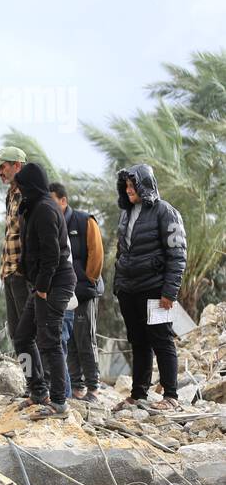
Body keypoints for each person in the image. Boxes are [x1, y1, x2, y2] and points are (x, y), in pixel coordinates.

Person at [113, 164, 186, 411]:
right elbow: (120, 252)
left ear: (145, 185)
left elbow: (177, 254)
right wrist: (118, 285)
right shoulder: (125, 213)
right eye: (127, 186)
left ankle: (171, 396)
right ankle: (138, 395)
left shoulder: (166, 212)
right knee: (138, 342)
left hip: (155, 289)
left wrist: (169, 292)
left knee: (162, 340)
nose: (129, 190)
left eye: (133, 186)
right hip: (129, 290)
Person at [12, 163, 76, 418]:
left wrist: (42, 288)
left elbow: (52, 254)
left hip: (54, 284)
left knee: (50, 343)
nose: (19, 192)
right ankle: (37, 390)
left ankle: (59, 402)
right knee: (22, 337)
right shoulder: (33, 207)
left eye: (22, 186)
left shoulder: (46, 210)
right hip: (42, 284)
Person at [49, 182, 104, 403]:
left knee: (85, 339)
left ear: (63, 200)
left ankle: (93, 388)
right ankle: (77, 387)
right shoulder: (52, 224)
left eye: (52, 201)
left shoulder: (84, 221)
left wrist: (87, 282)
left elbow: (97, 255)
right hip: (64, 293)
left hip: (84, 291)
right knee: (68, 340)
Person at [0, 147, 31, 383]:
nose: (0, 172)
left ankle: (42, 386)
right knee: (17, 334)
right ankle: (31, 382)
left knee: (29, 333)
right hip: (9, 272)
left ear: (17, 166)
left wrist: (26, 269)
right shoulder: (11, 194)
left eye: (3, 166)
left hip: (23, 274)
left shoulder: (28, 194)